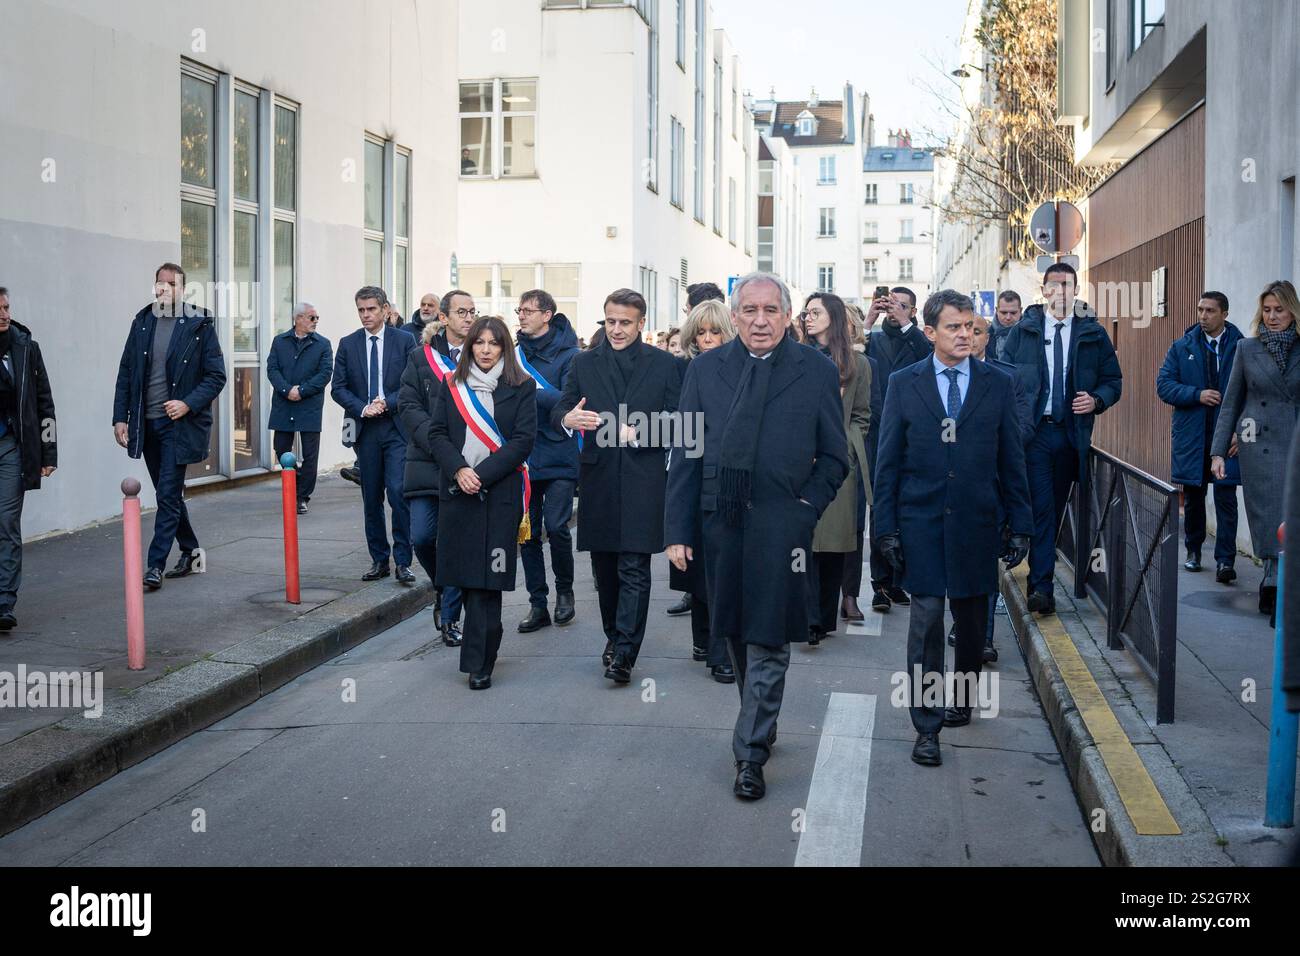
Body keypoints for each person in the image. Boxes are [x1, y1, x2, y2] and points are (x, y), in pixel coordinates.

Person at [665, 272, 848, 800]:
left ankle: (749, 753)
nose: (760, 321)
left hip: (781, 527)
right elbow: (686, 454)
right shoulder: (705, 369)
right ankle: (761, 721)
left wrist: (806, 509)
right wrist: (677, 530)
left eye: (771, 311)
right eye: (749, 310)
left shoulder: (813, 371)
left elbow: (834, 456)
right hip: (718, 524)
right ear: (735, 315)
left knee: (769, 637)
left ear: (787, 317)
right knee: (737, 634)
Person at [873, 290, 1032, 767]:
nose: (964, 334)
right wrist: (886, 531)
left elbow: (1012, 458)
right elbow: (887, 464)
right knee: (924, 622)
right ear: (930, 333)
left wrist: (1019, 523)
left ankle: (960, 698)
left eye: (969, 326)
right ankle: (926, 726)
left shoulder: (997, 384)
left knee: (969, 621)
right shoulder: (904, 384)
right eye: (953, 327)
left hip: (975, 522)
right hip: (918, 521)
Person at [554, 289, 681, 684]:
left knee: (634, 566)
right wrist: (567, 419)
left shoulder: (664, 365)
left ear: (641, 323)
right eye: (610, 321)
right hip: (600, 478)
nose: (616, 329)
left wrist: (638, 431)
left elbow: (683, 421)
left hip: (644, 479)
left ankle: (625, 651)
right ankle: (614, 637)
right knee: (604, 569)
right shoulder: (583, 362)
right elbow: (565, 407)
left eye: (625, 322)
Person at [1002, 262, 1122, 614]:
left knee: (1057, 512)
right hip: (1035, 433)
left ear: (1076, 290)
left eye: (1067, 285)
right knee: (1044, 510)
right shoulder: (1023, 331)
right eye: (1054, 285)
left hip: (1072, 435)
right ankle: (1041, 587)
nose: (1061, 292)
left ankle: (1047, 570)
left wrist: (1097, 399)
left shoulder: (1092, 332)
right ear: (1044, 289)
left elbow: (1113, 381)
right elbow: (1003, 378)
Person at [428, 316, 536, 689]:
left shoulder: (522, 387)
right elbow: (436, 433)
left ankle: (480, 662)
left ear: (504, 347)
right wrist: (459, 469)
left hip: (499, 495)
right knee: (468, 579)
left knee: (489, 581)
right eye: (479, 343)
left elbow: (523, 441)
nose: (486, 350)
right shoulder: (451, 385)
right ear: (470, 346)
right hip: (459, 494)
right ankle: (483, 646)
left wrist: (482, 474)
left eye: (494, 343)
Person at [113, 263, 226, 590]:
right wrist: (120, 416)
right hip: (147, 425)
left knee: (166, 493)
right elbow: (126, 372)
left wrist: (187, 402)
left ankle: (154, 566)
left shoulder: (198, 324)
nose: (163, 289)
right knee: (170, 495)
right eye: (159, 283)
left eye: (171, 285)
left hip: (180, 425)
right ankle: (191, 551)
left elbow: (216, 376)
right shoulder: (143, 321)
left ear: (182, 290)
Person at [1212, 280, 1300, 625]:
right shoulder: (1247, 349)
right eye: (1267, 310)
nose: (1273, 316)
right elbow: (1231, 402)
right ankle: (1274, 581)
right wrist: (1218, 452)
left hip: (1293, 443)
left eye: (1279, 310)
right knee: (1268, 518)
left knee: (1288, 516)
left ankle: (1278, 581)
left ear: (1292, 311)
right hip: (1257, 446)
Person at [666, 299, 737, 682]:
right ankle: (712, 646)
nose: (708, 340)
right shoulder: (695, 371)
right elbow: (685, 442)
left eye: (715, 332)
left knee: (723, 573)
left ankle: (715, 645)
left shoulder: (749, 367)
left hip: (742, 490)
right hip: (703, 484)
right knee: (703, 570)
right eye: (701, 333)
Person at [330, 286, 418, 583]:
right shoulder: (348, 344)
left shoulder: (404, 340)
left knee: (398, 492)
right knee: (371, 498)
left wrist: (387, 402)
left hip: (396, 428)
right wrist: (363, 407)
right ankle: (379, 560)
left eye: (371, 309)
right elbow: (338, 387)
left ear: (385, 309)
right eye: (361, 310)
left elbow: (412, 382)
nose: (365, 315)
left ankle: (404, 561)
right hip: (365, 430)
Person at [799, 292, 872, 644]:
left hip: (839, 463)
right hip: (798, 461)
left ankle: (823, 618)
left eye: (815, 312)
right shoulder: (797, 357)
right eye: (806, 312)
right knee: (806, 542)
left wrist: (849, 454)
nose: (808, 318)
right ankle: (809, 619)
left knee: (833, 545)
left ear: (834, 316)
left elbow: (862, 415)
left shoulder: (859, 364)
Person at [1157, 291, 1242, 581]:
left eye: (1210, 311)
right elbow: (1164, 386)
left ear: (1224, 314)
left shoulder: (1241, 346)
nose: (1203, 316)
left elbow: (1252, 392)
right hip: (1193, 435)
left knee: (1226, 496)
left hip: (1226, 434)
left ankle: (1225, 561)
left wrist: (1238, 432)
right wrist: (1197, 394)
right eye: (1200, 309)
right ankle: (1193, 551)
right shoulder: (1182, 347)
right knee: (1194, 496)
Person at [514, 289, 581, 633]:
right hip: (523, 452)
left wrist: (530, 391)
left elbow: (569, 400)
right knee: (526, 533)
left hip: (559, 450)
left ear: (547, 315)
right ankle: (537, 603)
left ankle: (565, 593)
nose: (521, 316)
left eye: (527, 311)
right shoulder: (512, 353)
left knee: (556, 526)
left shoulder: (571, 354)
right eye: (519, 310)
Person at [865, 285, 932, 612]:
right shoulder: (874, 339)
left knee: (907, 508)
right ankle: (880, 583)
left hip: (913, 436)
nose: (893, 310)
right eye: (889, 304)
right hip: (878, 434)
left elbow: (929, 357)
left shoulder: (917, 340)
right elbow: (852, 355)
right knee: (880, 507)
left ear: (913, 312)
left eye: (901, 306)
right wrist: (869, 319)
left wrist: (906, 323)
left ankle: (898, 578)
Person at [399, 321, 466, 646]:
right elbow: (409, 406)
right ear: (445, 317)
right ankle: (442, 588)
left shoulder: (482, 355)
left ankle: (451, 617)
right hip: (427, 461)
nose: (468, 318)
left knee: (453, 542)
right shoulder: (420, 357)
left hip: (467, 466)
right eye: (461, 311)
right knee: (423, 537)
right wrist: (439, 445)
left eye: (472, 311)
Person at [0, 287, 57, 630]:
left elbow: (45, 404)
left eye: (6, 307)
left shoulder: (26, 349)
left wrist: (48, 451)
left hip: (12, 449)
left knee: (6, 523)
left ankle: (4, 602)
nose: (4, 313)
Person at [267, 302, 332, 516]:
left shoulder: (323, 344)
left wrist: (302, 391)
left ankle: (303, 496)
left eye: (317, 318)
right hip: (284, 403)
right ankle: (294, 484)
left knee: (310, 454)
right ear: (298, 319)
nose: (315, 322)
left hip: (309, 404)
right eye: (311, 318)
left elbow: (325, 374)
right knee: (281, 449)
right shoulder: (280, 341)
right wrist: (287, 390)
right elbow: (272, 369)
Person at [988, 290, 1023, 361]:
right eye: (1004, 313)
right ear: (997, 310)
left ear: (1020, 310)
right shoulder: (985, 335)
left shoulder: (1031, 334)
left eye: (1013, 313)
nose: (1008, 317)